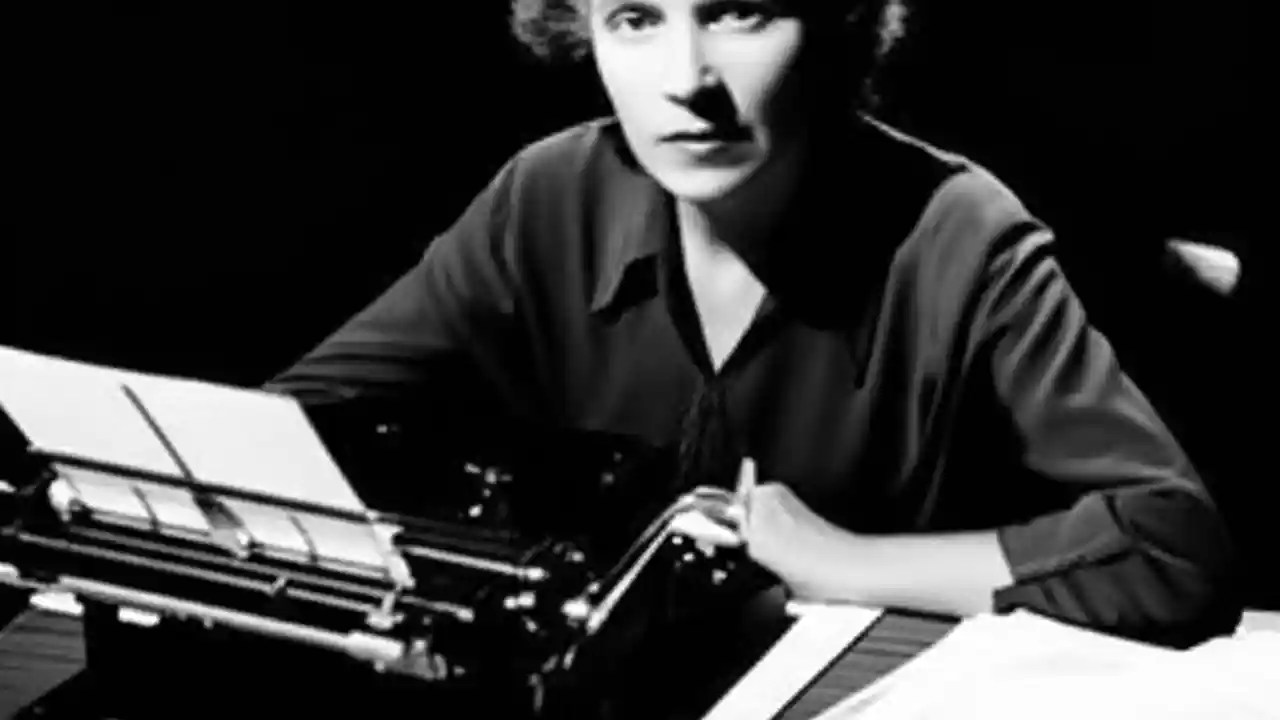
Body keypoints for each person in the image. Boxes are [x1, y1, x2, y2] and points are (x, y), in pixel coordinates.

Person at [265, 0, 1242, 649]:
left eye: (738, 12)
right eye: (637, 19)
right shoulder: (548, 194)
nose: (685, 78)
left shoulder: (956, 227)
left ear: (835, 20)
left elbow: (1167, 549)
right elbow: (286, 433)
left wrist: (842, 562)